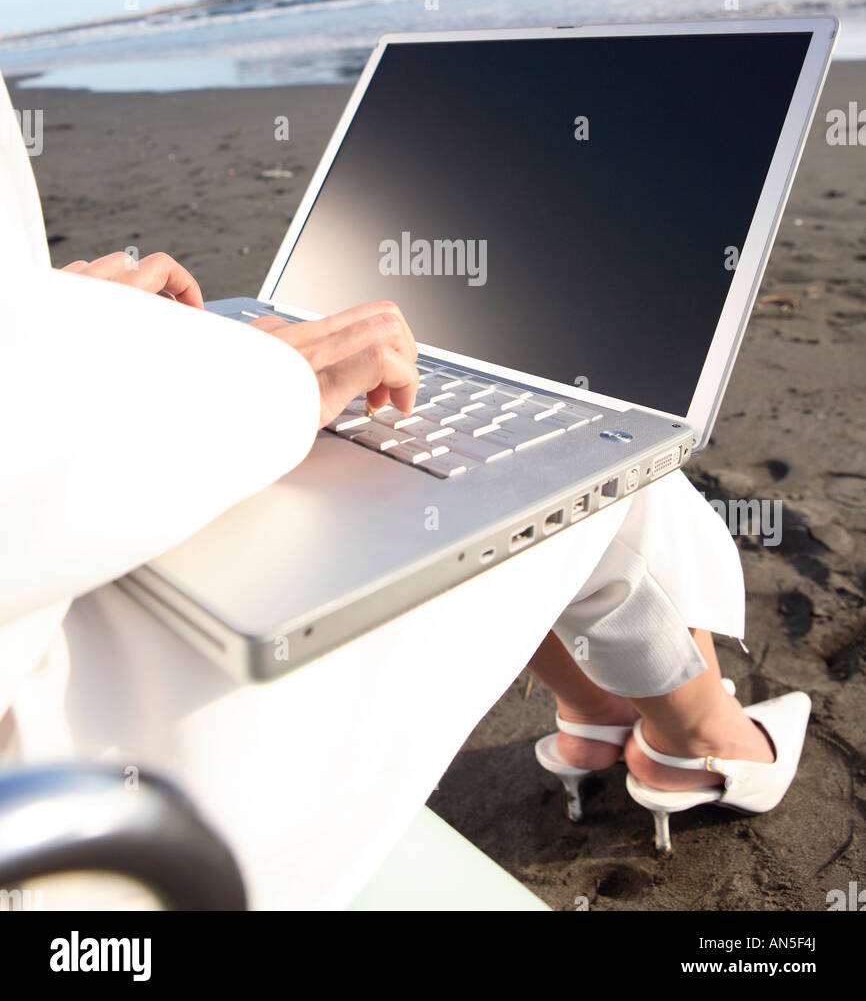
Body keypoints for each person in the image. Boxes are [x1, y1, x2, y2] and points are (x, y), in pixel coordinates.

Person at [0, 72, 809, 905]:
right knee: (599, 467)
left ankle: (597, 715)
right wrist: (257, 382)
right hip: (78, 806)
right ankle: (699, 744)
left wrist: (60, 320)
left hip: (47, 598)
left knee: (465, 466)